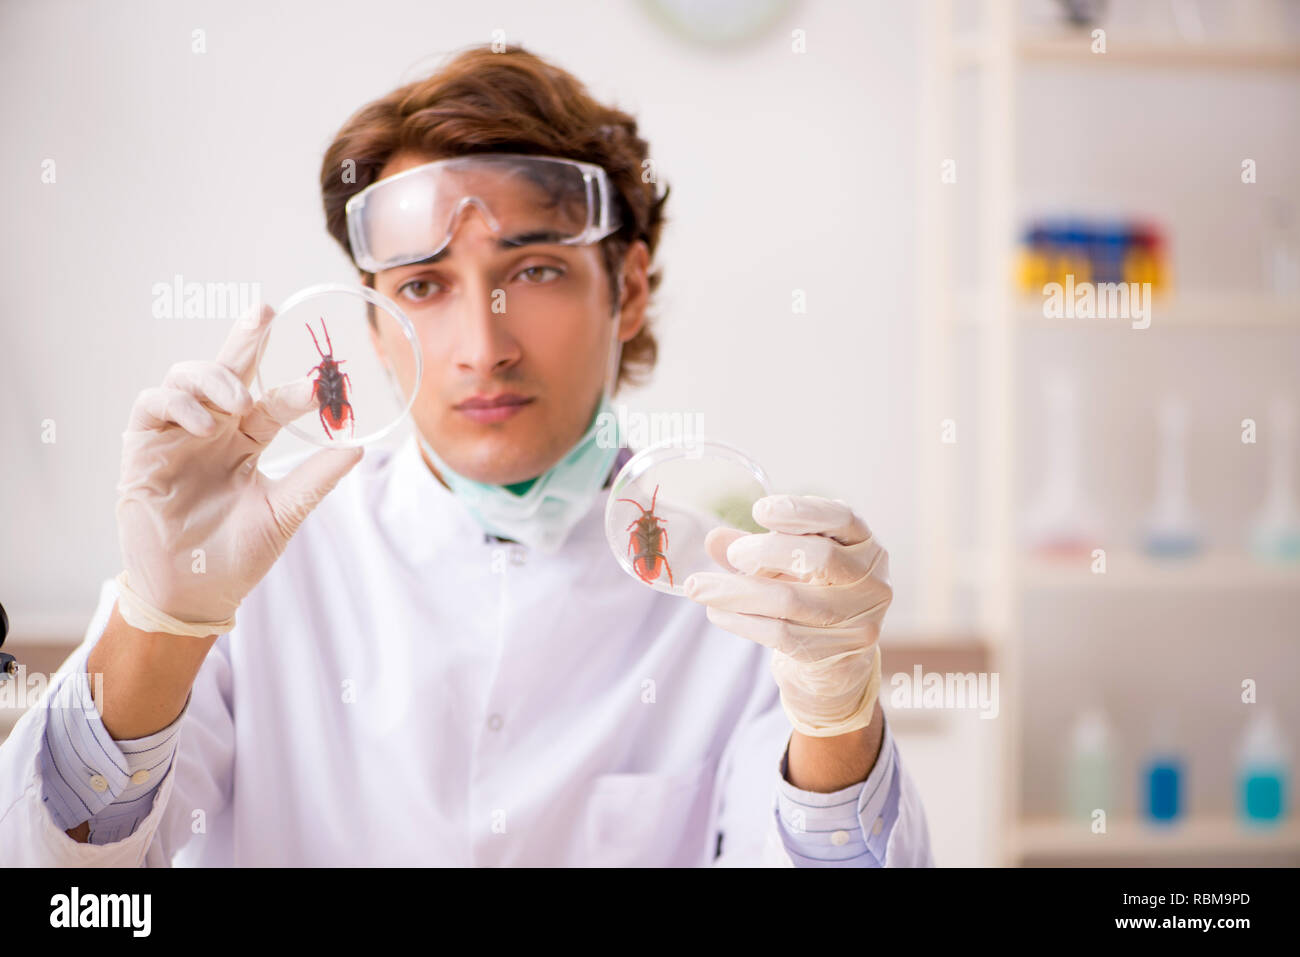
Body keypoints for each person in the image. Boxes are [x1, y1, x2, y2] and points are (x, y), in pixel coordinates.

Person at [0, 44, 931, 866]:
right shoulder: (252, 569)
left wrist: (837, 720)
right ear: (371, 319)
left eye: (534, 270)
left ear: (629, 288)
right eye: (423, 285)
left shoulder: (734, 599)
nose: (482, 348)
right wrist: (163, 621)